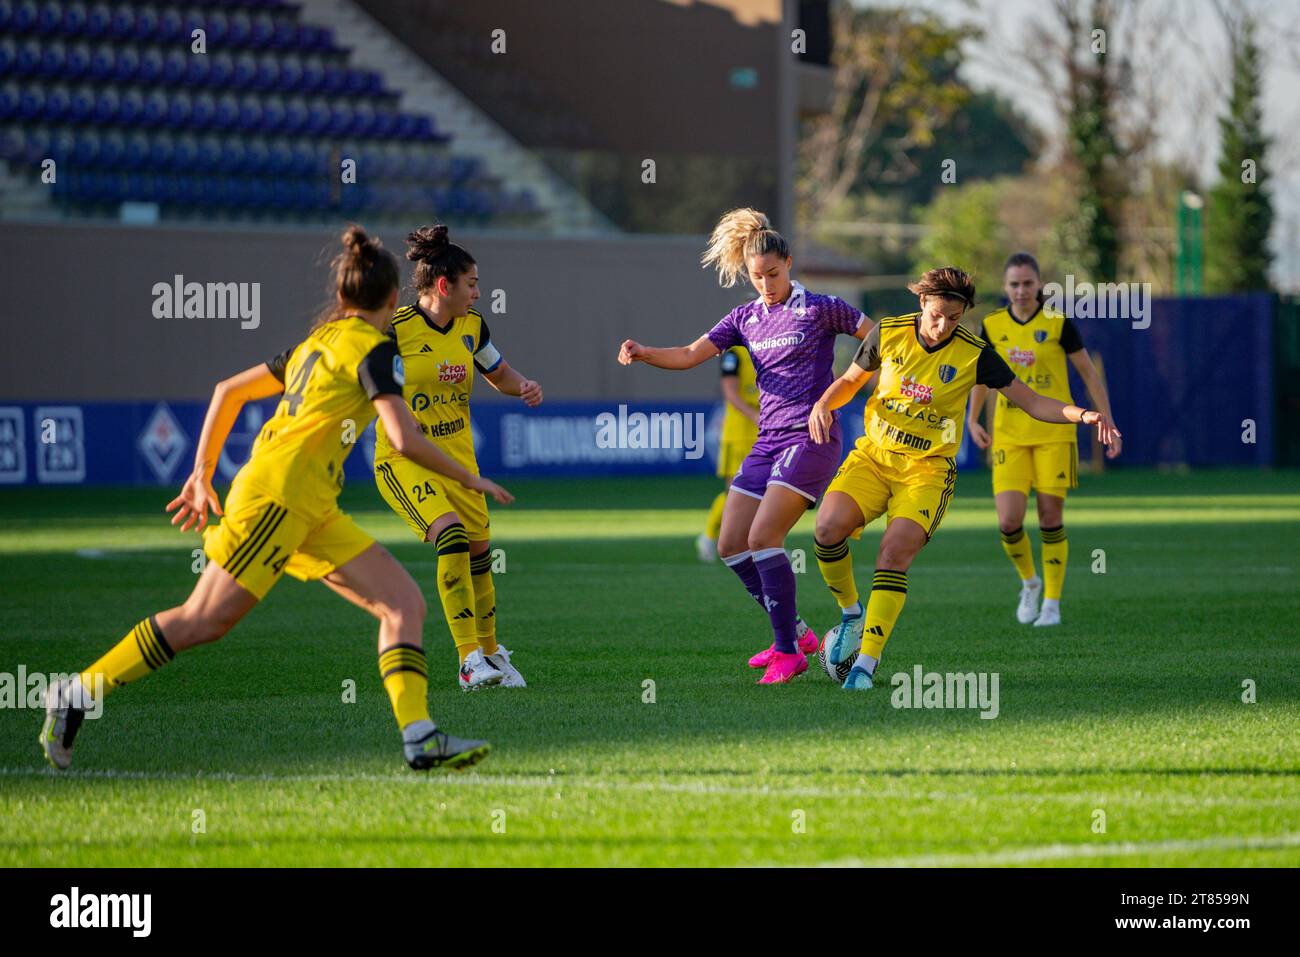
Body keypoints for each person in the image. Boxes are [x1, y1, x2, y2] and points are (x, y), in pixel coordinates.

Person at [39, 226, 513, 772]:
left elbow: (228, 391)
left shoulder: (319, 343)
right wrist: (471, 478)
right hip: (277, 499)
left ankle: (421, 737)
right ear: (389, 300)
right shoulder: (376, 351)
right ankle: (76, 692)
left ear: (343, 297)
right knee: (203, 621)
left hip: (313, 508)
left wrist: (202, 473)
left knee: (403, 604)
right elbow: (403, 439)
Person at [809, 267, 1119, 690]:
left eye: (954, 318)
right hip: (874, 458)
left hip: (927, 472)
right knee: (826, 529)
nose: (943, 326)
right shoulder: (888, 332)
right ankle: (851, 613)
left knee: (893, 553)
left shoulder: (975, 353)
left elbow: (1031, 401)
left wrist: (1083, 414)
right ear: (922, 303)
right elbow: (849, 380)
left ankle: (865, 664)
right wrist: (825, 404)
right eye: (937, 315)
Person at [618, 208, 870, 684]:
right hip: (767, 441)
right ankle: (794, 631)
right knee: (731, 542)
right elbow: (692, 354)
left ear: (790, 264)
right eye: (757, 277)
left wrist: (846, 388)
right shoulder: (745, 317)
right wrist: (646, 352)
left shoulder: (820, 307)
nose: (766, 284)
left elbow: (879, 337)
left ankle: (787, 651)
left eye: (773, 274)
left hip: (811, 437)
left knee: (761, 539)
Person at [373, 224, 542, 691]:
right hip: (404, 459)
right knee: (449, 538)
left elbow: (499, 372)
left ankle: (490, 652)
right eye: (472, 283)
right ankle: (468, 661)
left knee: (480, 558)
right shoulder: (397, 330)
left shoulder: (472, 328)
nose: (479, 293)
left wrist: (523, 385)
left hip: (460, 464)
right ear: (445, 285)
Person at [966, 252, 1121, 626]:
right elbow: (982, 377)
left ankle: (1052, 602)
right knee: (1008, 521)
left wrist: (1109, 422)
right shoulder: (992, 324)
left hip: (1054, 432)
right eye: (1014, 284)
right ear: (1005, 288)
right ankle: (1029, 583)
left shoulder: (1058, 323)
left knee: (1050, 517)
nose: (1021, 290)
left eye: (1028, 283)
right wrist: (972, 419)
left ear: (1039, 285)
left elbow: (1088, 374)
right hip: (1009, 434)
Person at [697, 345, 760, 563]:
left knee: (768, 493)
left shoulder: (771, 348)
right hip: (740, 433)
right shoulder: (734, 354)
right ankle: (708, 536)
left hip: (766, 433)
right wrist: (754, 415)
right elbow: (730, 393)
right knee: (735, 493)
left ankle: (762, 546)